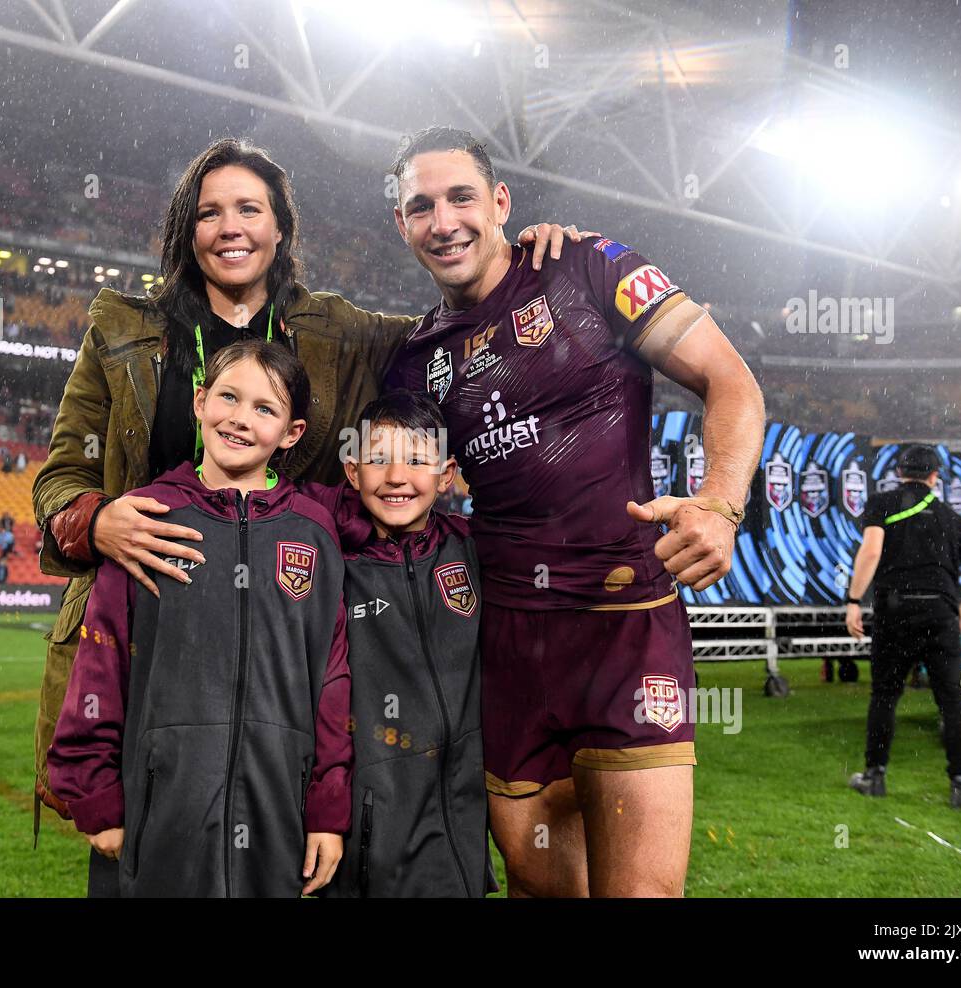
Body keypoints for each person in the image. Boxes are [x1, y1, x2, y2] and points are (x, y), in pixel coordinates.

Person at [30, 134, 589, 854]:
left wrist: (526, 264)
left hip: (284, 630)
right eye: (208, 212)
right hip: (151, 625)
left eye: (249, 209)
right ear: (185, 229)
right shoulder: (124, 330)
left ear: (281, 227)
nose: (230, 228)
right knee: (144, 848)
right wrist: (97, 520)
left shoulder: (341, 332)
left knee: (277, 847)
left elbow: (453, 333)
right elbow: (60, 477)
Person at [382, 127, 766, 897]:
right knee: (541, 889)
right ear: (402, 224)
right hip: (507, 646)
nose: (443, 221)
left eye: (461, 197)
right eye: (421, 207)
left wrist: (720, 504)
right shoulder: (414, 362)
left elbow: (731, 381)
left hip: (626, 628)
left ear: (501, 202)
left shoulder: (589, 266)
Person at [48, 339, 351, 897]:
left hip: (277, 813)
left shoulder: (312, 531)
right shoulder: (145, 516)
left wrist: (328, 808)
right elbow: (100, 660)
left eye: (265, 408)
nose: (240, 418)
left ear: (292, 433)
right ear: (199, 400)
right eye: (228, 397)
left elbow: (332, 681)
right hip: (163, 809)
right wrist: (93, 791)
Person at [308, 390, 491, 897]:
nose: (396, 476)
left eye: (416, 460)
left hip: (459, 827)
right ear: (352, 472)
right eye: (378, 459)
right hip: (369, 834)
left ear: (446, 474)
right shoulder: (334, 563)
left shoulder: (473, 550)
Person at [844, 443, 961, 809]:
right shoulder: (953, 520)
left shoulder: (883, 503)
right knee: (951, 699)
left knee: (885, 695)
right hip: (940, 614)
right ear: (934, 477)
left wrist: (853, 601)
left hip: (895, 612)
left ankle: (875, 776)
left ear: (899, 472)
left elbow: (871, 551)